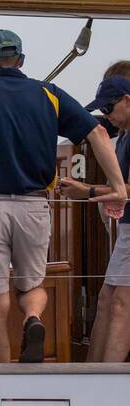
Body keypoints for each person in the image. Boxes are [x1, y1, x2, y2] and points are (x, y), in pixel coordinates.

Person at [0, 29, 126, 363]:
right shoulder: (49, 94)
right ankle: (33, 318)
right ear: (22, 61)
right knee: (31, 286)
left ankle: (1, 382)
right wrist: (117, 187)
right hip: (34, 206)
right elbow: (98, 132)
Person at [58, 65, 130, 362]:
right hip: (127, 229)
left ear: (128, 99)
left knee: (122, 305)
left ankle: (105, 384)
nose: (107, 115)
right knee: (107, 300)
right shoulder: (124, 135)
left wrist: (86, 191)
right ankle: (90, 374)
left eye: (110, 108)